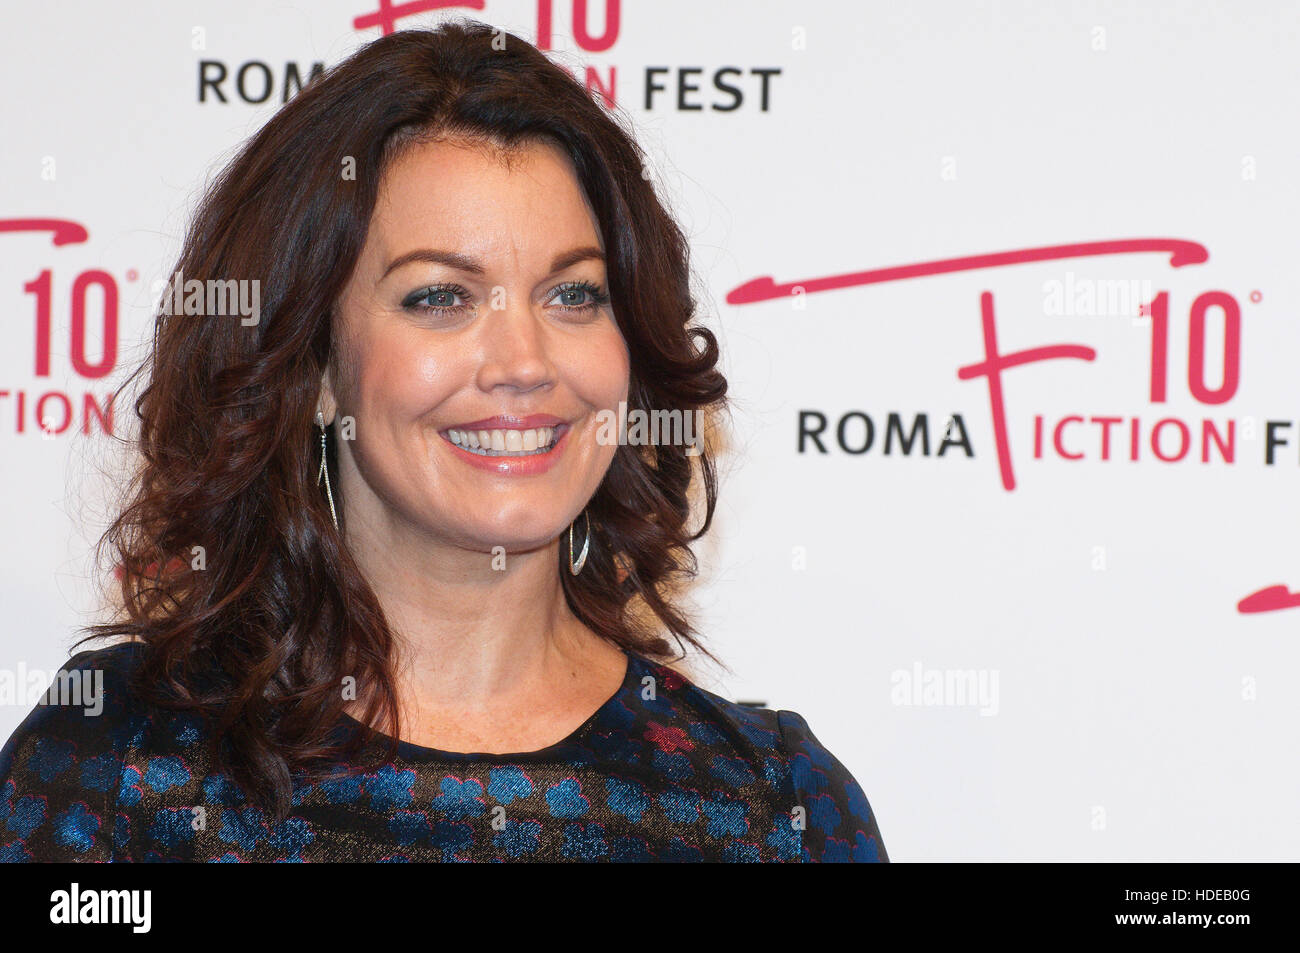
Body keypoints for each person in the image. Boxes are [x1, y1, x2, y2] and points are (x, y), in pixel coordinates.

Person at [0, 19, 887, 862]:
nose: (524, 362)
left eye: (574, 294)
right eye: (440, 297)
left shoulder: (773, 810)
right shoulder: (115, 769)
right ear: (315, 367)